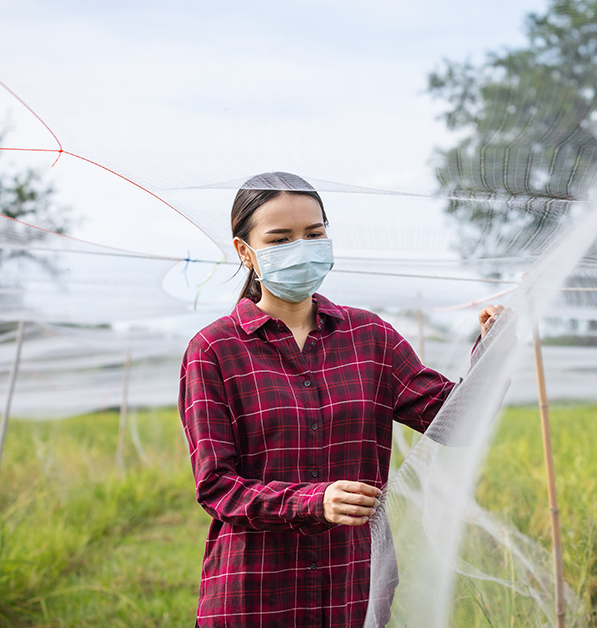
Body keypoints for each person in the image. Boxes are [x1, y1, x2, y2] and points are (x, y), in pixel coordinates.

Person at [178, 171, 502, 628]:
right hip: (257, 592)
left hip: (353, 585)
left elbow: (457, 422)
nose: (300, 249)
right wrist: (314, 501)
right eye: (280, 239)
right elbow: (217, 487)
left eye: (313, 234)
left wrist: (494, 349)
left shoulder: (370, 337)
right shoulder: (214, 350)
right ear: (244, 251)